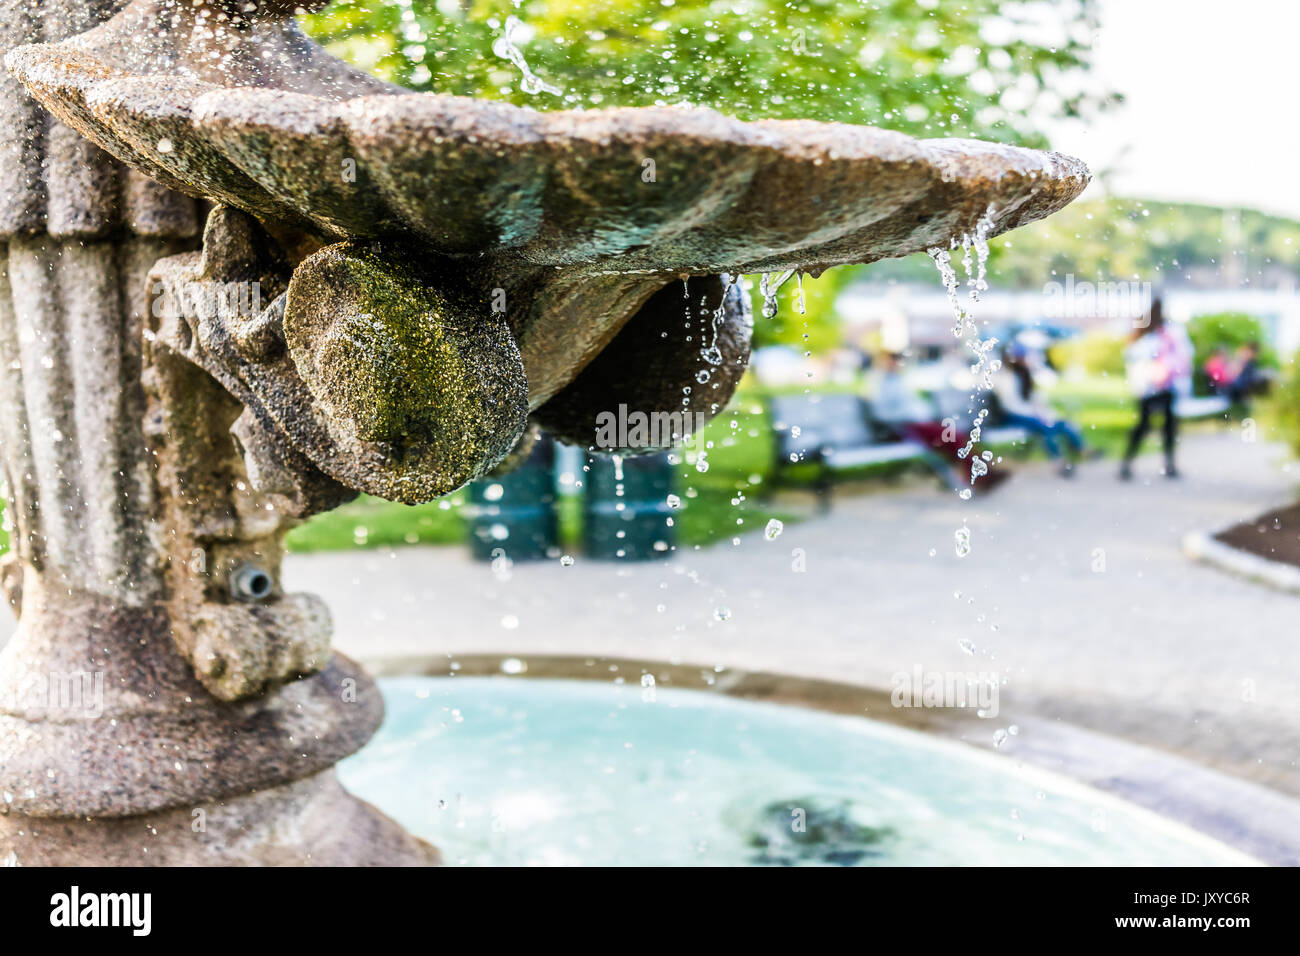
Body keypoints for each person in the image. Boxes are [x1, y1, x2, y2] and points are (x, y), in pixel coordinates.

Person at [869, 351, 1009, 490]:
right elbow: (882, 413)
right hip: (906, 427)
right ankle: (981, 475)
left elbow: (912, 405)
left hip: (919, 423)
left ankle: (981, 474)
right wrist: (907, 418)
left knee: (955, 439)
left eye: (896, 360)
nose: (895, 364)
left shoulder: (897, 380)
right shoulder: (882, 384)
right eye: (892, 361)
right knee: (954, 438)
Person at [993, 343, 1092, 476]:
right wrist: (1035, 413)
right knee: (1046, 427)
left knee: (1061, 423)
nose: (1025, 360)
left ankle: (1081, 449)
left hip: (1028, 414)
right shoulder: (1007, 377)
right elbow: (1010, 404)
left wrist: (1044, 411)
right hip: (1013, 416)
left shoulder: (1024, 374)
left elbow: (1034, 398)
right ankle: (1059, 462)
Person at [1120, 298, 1190, 480]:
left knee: (1149, 425)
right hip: (1156, 386)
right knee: (1162, 426)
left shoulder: (1149, 333)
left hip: (1154, 387)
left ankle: (1130, 463)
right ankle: (1166, 465)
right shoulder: (1159, 334)